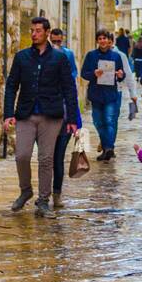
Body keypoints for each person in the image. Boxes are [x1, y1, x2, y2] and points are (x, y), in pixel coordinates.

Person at [3, 16, 79, 218]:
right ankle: (25, 190)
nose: (34, 34)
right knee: (22, 156)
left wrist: (72, 119)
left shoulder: (59, 58)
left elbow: (69, 88)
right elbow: (12, 86)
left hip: (51, 116)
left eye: (38, 30)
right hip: (26, 115)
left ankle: (43, 200)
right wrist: (8, 113)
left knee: (46, 159)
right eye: (32, 30)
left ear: (47, 33)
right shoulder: (22, 57)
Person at [81, 29, 127, 161]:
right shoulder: (91, 56)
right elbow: (84, 73)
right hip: (96, 93)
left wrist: (120, 75)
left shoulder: (116, 56)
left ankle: (108, 148)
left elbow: (121, 75)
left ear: (109, 41)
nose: (102, 41)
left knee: (109, 120)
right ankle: (108, 147)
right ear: (97, 41)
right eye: (100, 38)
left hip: (110, 93)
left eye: (104, 38)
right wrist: (93, 74)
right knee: (98, 121)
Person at [49, 26, 81, 208]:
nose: (56, 45)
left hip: (65, 120)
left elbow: (73, 94)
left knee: (58, 158)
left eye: (58, 42)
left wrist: (75, 122)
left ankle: (57, 194)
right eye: (53, 42)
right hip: (47, 119)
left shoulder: (67, 56)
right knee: (47, 158)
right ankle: (46, 194)